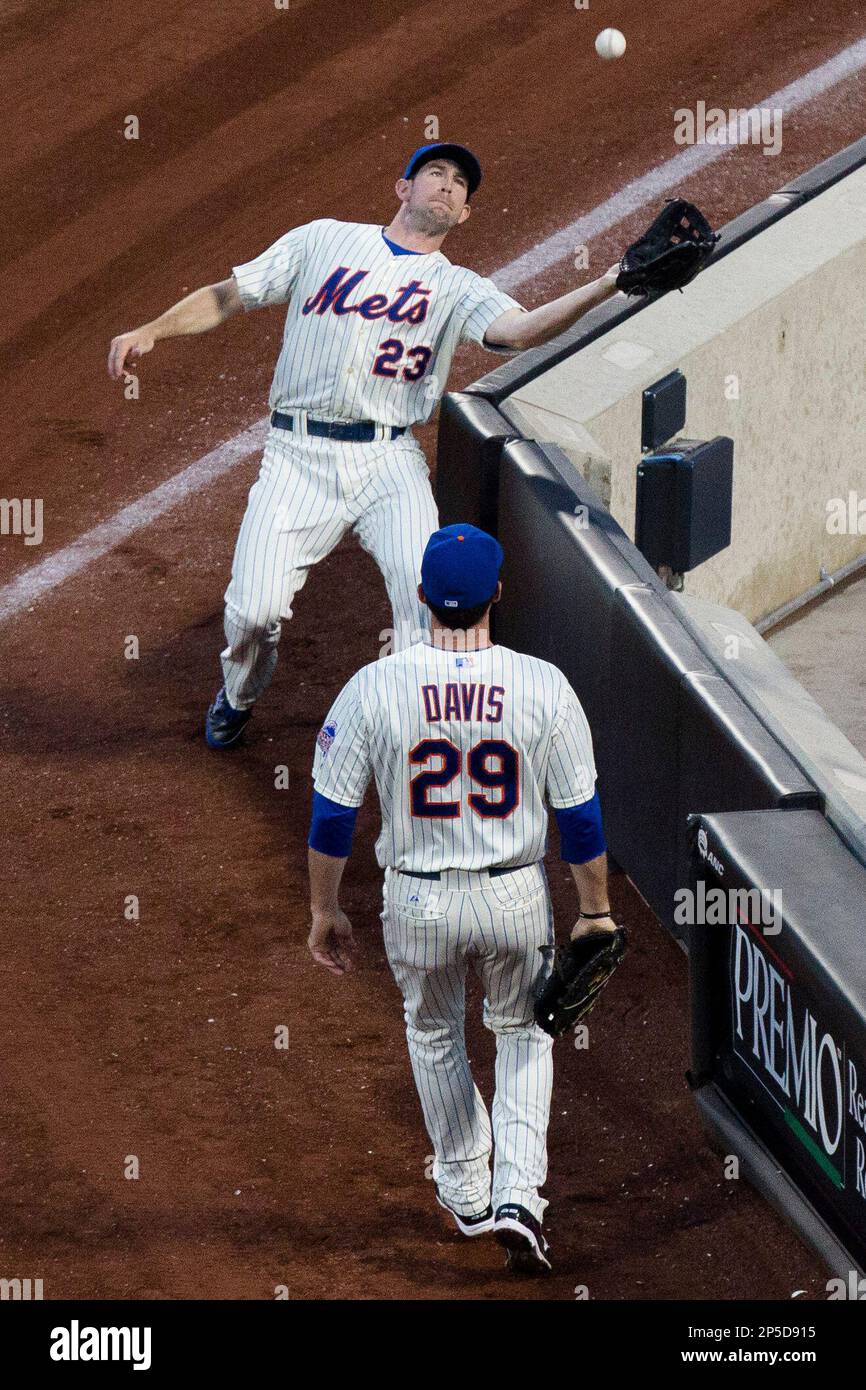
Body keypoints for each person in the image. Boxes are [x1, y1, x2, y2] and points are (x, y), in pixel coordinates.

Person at [107, 143, 621, 747]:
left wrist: (612, 282)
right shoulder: (323, 240)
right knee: (254, 613)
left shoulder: (456, 287)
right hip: (295, 457)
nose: (448, 186)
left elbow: (521, 329)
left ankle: (413, 740)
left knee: (427, 599)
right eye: (435, 173)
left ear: (463, 216)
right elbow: (228, 295)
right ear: (402, 188)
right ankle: (240, 696)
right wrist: (152, 329)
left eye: (460, 185)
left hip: (389, 462)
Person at [306, 523, 617, 1275]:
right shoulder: (544, 685)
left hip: (416, 904)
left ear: (420, 599)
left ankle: (467, 1186)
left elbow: (330, 817)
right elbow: (579, 821)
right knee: (524, 1032)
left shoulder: (374, 686)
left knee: (435, 1031)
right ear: (497, 596)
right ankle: (519, 1195)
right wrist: (596, 911)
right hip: (514, 898)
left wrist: (326, 909)